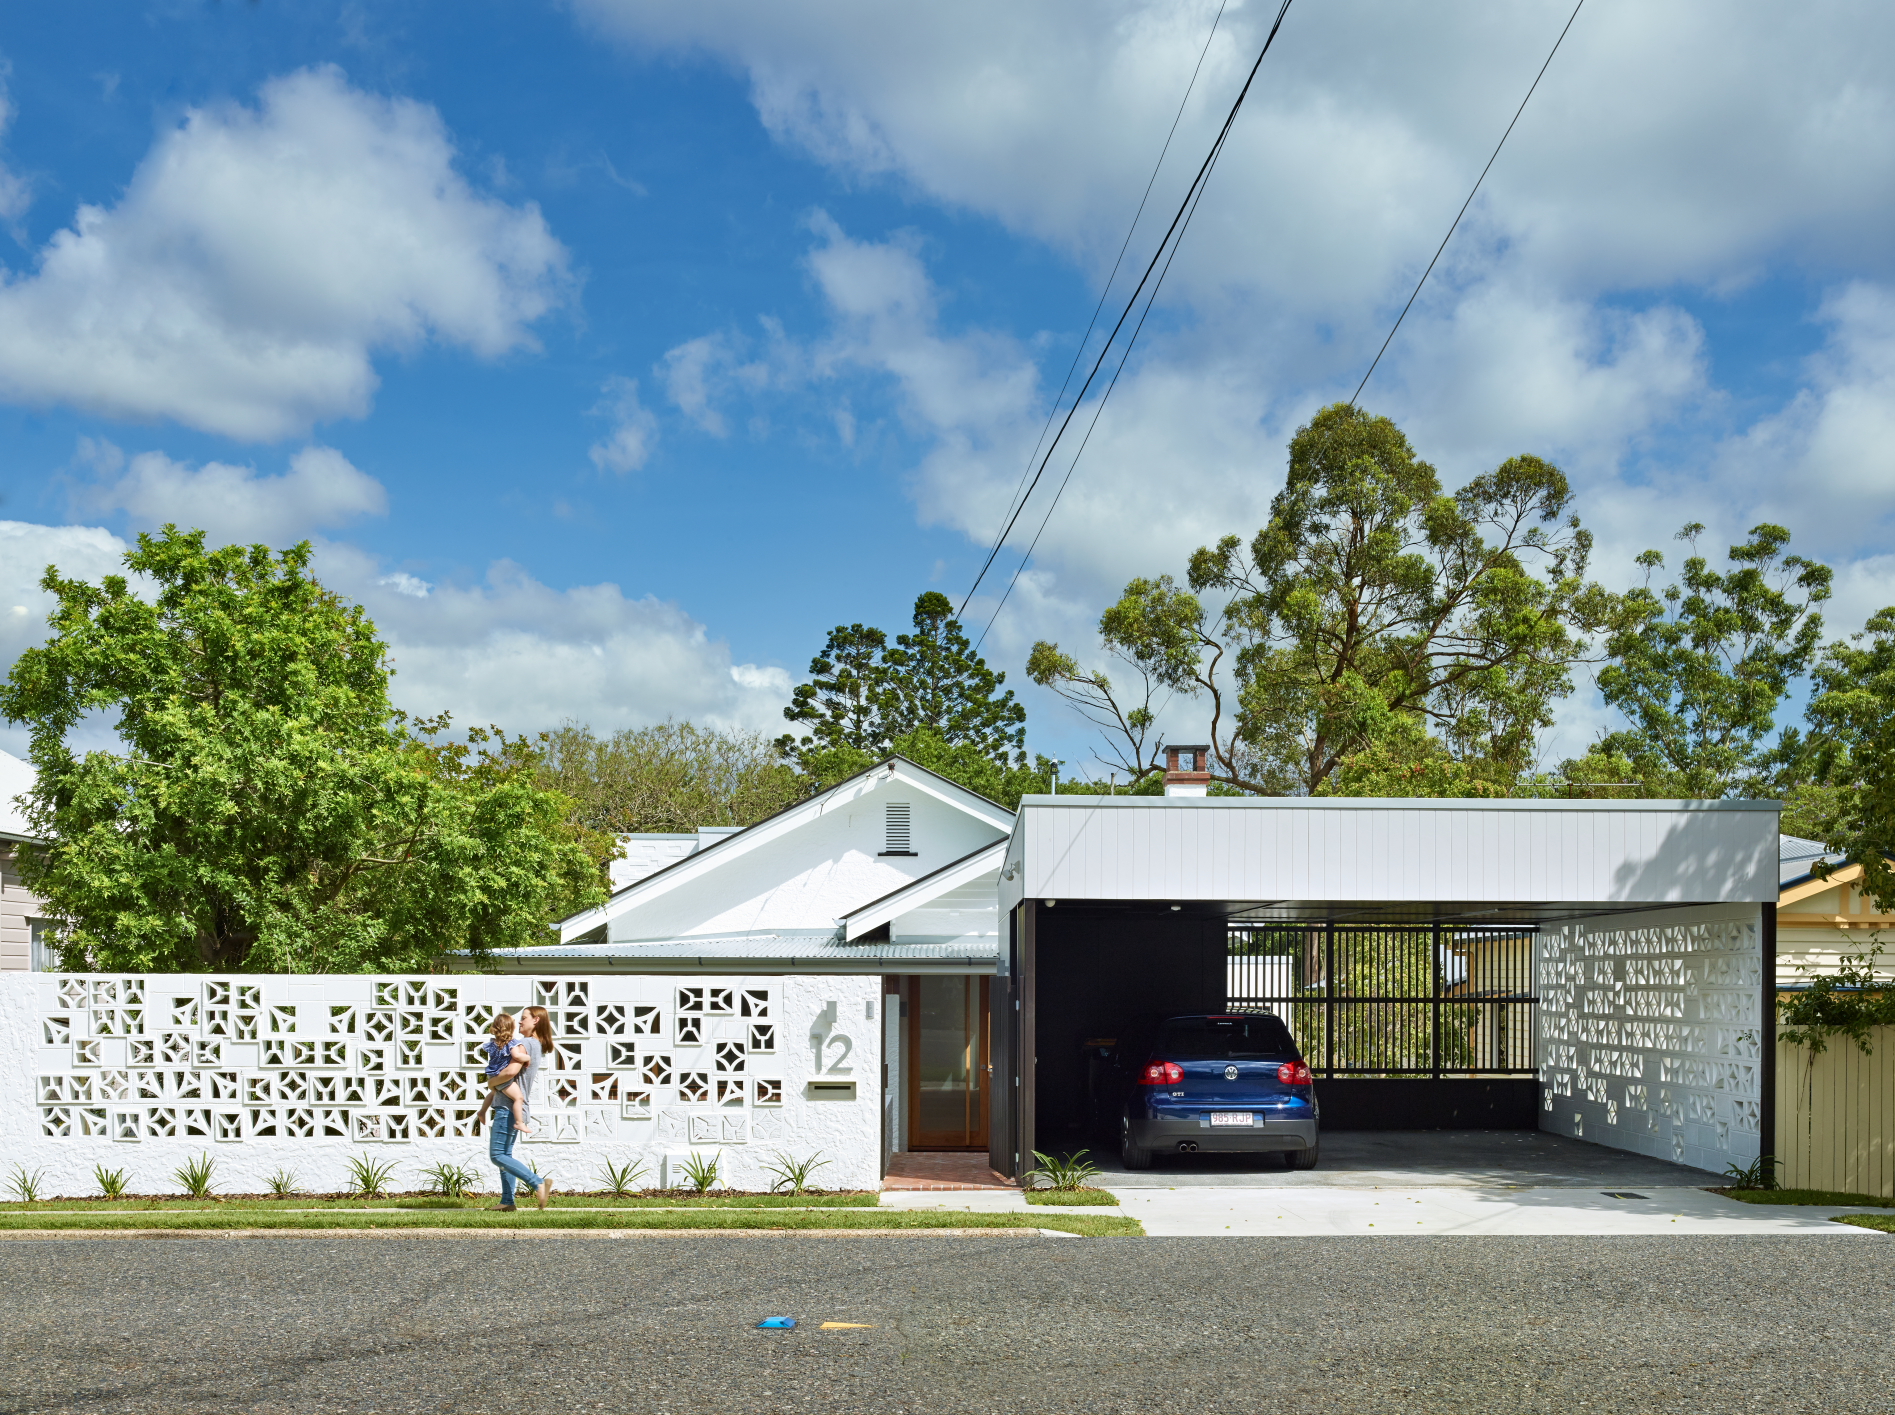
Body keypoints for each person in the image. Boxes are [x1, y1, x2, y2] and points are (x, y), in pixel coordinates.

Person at [482, 1012, 551, 1212]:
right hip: (511, 1107)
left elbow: (510, 1072)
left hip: (507, 1107)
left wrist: (490, 1083)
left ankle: (538, 1183)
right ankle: (507, 1201)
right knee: (505, 1154)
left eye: (524, 1017)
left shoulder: (525, 1043)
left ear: (536, 1020)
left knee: (497, 1155)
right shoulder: (535, 1045)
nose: (520, 1021)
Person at [476, 1013, 532, 1136]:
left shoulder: (493, 1043)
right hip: (503, 1076)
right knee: (518, 1098)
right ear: (510, 1028)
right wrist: (528, 1057)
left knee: (493, 1092)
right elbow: (517, 1056)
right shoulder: (512, 1043)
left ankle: (482, 1111)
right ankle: (519, 1122)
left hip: (493, 1074)